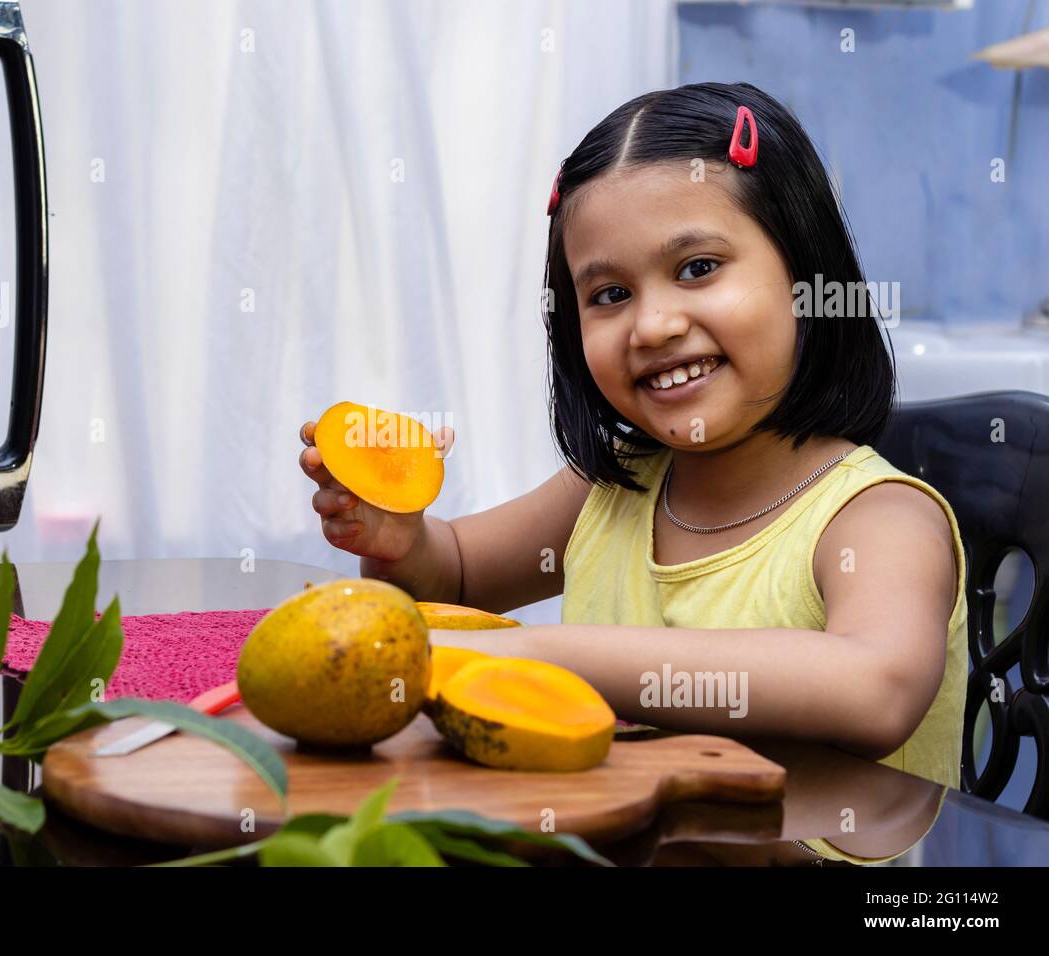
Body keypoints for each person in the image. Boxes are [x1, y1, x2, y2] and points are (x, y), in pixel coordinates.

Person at [298, 82, 966, 864]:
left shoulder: (877, 519)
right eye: (610, 294)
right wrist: (398, 538)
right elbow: (455, 576)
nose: (653, 325)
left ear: (806, 275)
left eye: (698, 268)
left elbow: (876, 689)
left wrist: (553, 658)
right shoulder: (614, 488)